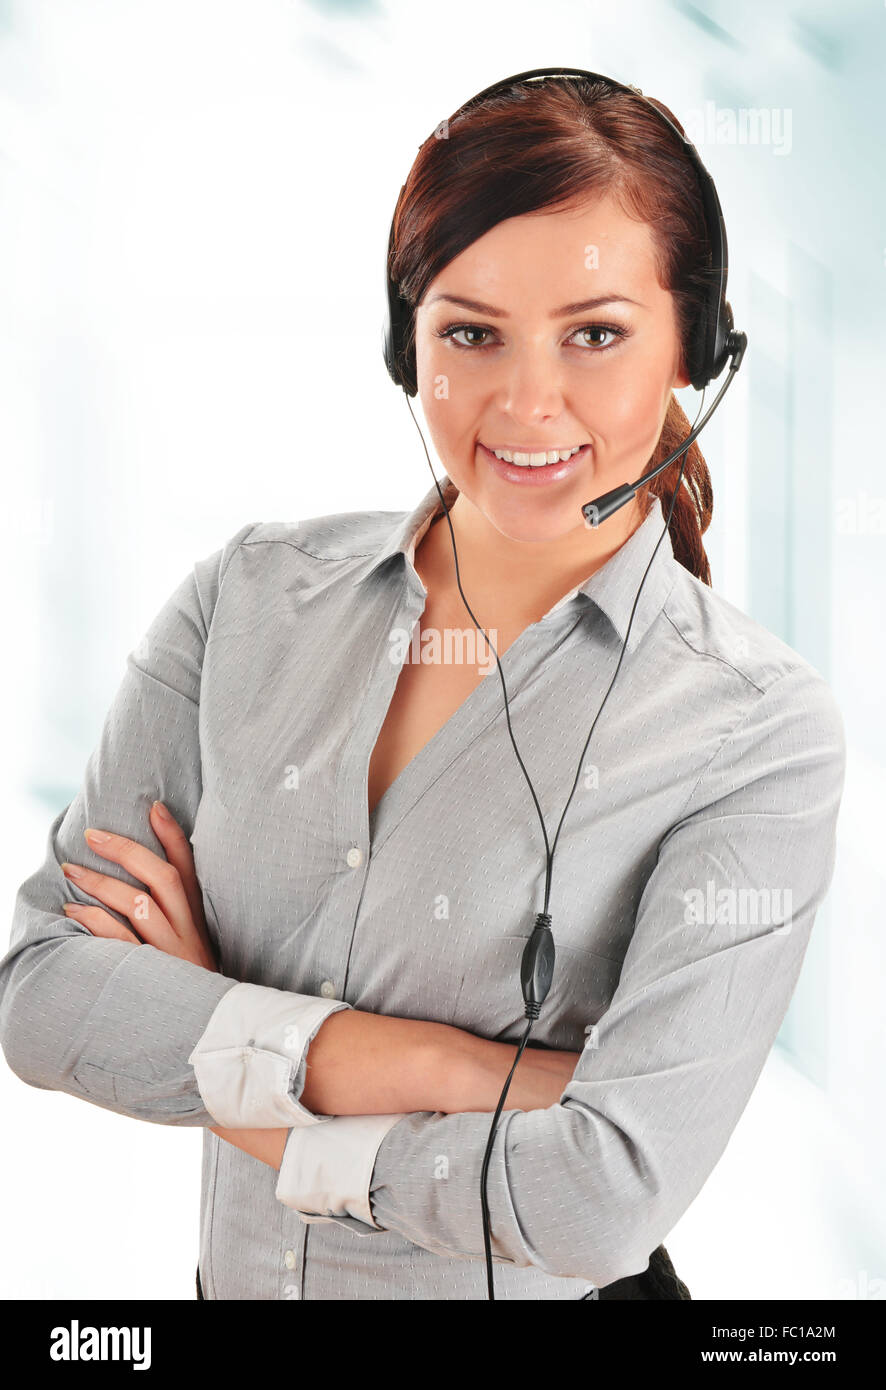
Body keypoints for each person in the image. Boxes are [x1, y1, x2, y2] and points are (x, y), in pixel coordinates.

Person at [0, 74, 844, 1301]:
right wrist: (461, 1069)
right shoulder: (245, 597)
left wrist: (222, 1038)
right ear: (408, 346)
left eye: (595, 333)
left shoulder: (754, 731)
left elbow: (601, 1194)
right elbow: (43, 995)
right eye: (470, 331)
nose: (524, 400)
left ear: (695, 348)